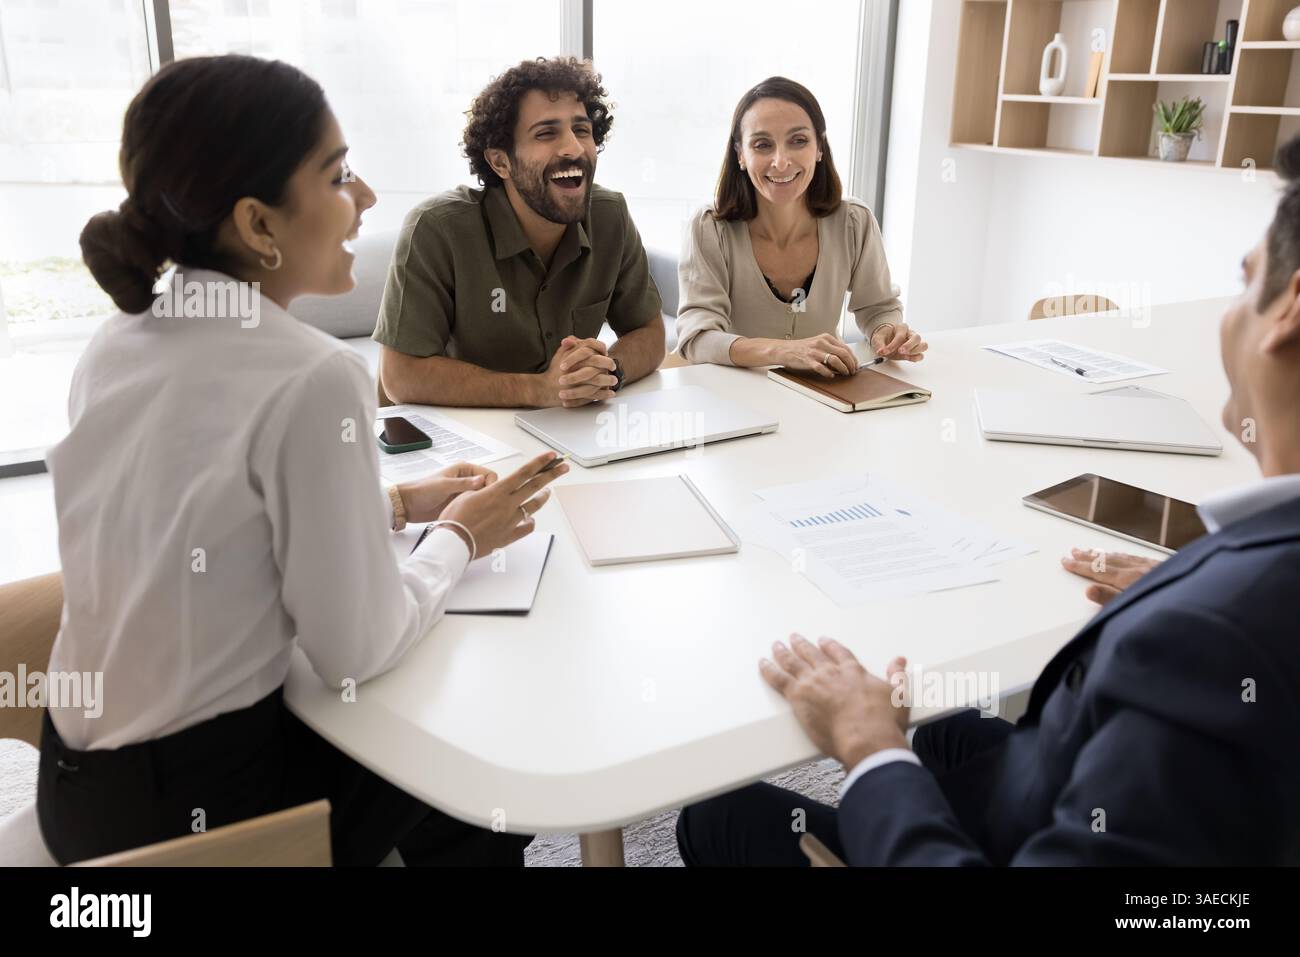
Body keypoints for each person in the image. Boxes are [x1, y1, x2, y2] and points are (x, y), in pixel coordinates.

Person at [676, 138, 1300, 866]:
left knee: (714, 815)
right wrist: (1189, 583)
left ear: (1287, 311)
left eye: (1242, 281)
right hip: (1067, 772)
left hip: (1032, 824)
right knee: (944, 727)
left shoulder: (1217, 636)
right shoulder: (1236, 595)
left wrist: (870, 748)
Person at [38, 55, 567, 866]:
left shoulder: (116, 343)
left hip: (76, 794)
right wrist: (459, 534)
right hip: (203, 819)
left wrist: (396, 505)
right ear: (257, 225)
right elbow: (357, 648)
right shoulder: (312, 375)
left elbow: (210, 519)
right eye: (338, 175)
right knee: (473, 746)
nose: (365, 198)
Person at [374, 57, 664, 408]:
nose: (573, 147)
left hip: (569, 431)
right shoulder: (436, 229)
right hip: (461, 441)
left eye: (582, 130)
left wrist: (607, 371)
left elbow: (648, 332)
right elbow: (401, 375)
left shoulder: (609, 215)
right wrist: (538, 389)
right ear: (500, 161)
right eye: (546, 133)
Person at [675, 77, 926, 376]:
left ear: (820, 147)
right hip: (737, 400)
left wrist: (886, 333)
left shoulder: (854, 222)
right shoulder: (709, 228)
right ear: (741, 155)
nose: (781, 162)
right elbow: (697, 339)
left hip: (825, 396)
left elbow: (878, 306)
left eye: (798, 141)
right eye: (763, 145)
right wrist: (783, 351)